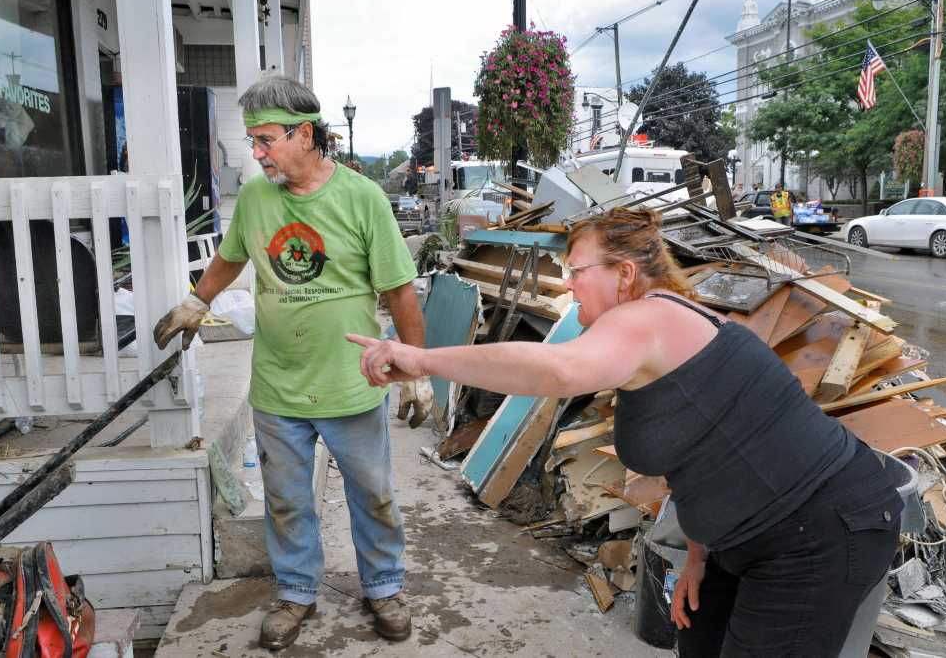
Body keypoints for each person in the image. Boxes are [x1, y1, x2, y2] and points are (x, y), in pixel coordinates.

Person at [346, 207, 903, 657]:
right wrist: (698, 556)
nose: (568, 285)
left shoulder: (649, 318)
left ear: (626, 274)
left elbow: (558, 371)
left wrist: (422, 360)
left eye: (576, 271)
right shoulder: (657, 329)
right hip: (748, 536)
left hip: (822, 528)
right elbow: (696, 454)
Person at [153, 76, 428, 650]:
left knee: (373, 493)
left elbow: (400, 289)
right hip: (279, 384)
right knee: (285, 500)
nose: (256, 153)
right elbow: (230, 257)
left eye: (266, 140)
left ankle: (383, 586)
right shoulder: (257, 200)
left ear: (305, 134)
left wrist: (415, 370)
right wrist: (197, 302)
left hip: (352, 381)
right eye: (252, 140)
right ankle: (297, 590)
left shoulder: (362, 198)